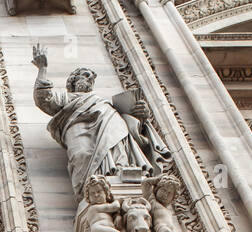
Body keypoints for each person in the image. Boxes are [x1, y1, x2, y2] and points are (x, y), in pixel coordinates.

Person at [32, 44, 170, 198]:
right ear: (73, 81)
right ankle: (88, 193)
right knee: (81, 155)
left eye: (91, 78)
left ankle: (119, 174)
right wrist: (42, 68)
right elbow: (44, 100)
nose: (88, 79)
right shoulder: (66, 98)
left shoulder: (100, 101)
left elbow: (132, 128)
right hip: (76, 128)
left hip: (110, 124)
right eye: (84, 75)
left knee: (117, 145)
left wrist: (140, 118)